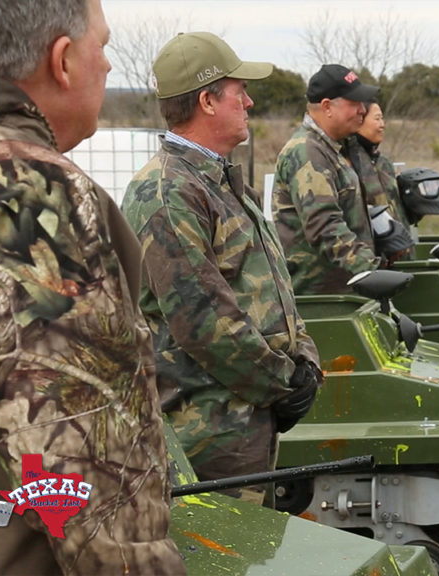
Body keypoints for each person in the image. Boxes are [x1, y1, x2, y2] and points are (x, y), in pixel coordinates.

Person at [0, 1, 187, 573]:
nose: (107, 67)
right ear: (62, 61)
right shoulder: (29, 194)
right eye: (101, 46)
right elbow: (80, 457)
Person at [120, 32, 322, 505]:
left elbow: (271, 288)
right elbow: (202, 317)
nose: (249, 101)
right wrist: (280, 382)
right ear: (208, 101)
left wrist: (305, 362)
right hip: (208, 430)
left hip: (244, 418)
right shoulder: (167, 191)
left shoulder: (219, 180)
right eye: (239, 92)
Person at [272, 64, 381, 294]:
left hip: (343, 291)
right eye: (354, 103)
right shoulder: (306, 152)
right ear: (327, 106)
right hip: (320, 299)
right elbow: (324, 228)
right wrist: (372, 271)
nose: (363, 110)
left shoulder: (332, 149)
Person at [347, 99, 416, 262]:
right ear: (359, 121)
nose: (382, 124)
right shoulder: (346, 163)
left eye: (382, 119)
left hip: (400, 256)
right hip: (371, 262)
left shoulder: (384, 163)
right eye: (377, 119)